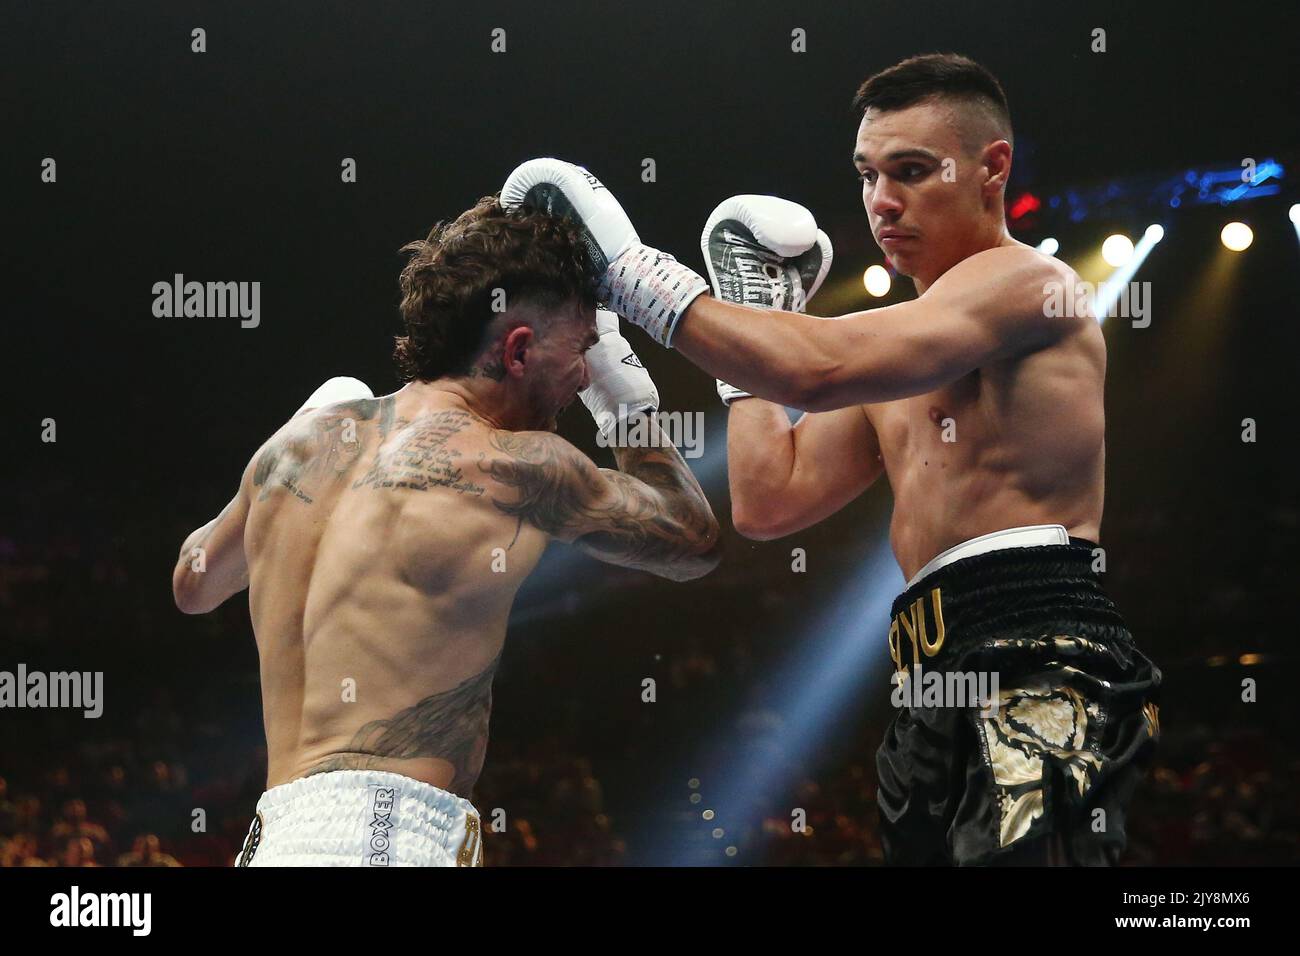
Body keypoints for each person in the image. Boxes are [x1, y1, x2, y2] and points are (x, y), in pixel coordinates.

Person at [499, 52, 1160, 866]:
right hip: (927, 669)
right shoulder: (901, 355)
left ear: (993, 168)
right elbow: (769, 499)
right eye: (868, 175)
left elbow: (816, 367)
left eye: (912, 172)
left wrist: (635, 277)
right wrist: (747, 323)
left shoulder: (1030, 286)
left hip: (1038, 647)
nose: (883, 202)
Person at [172, 196, 720, 866]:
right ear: (518, 349)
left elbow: (194, 584)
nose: (584, 374)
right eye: (582, 350)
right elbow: (693, 539)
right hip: (385, 839)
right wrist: (627, 405)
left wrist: (280, 454)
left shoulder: (299, 447)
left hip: (274, 839)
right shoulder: (511, 464)